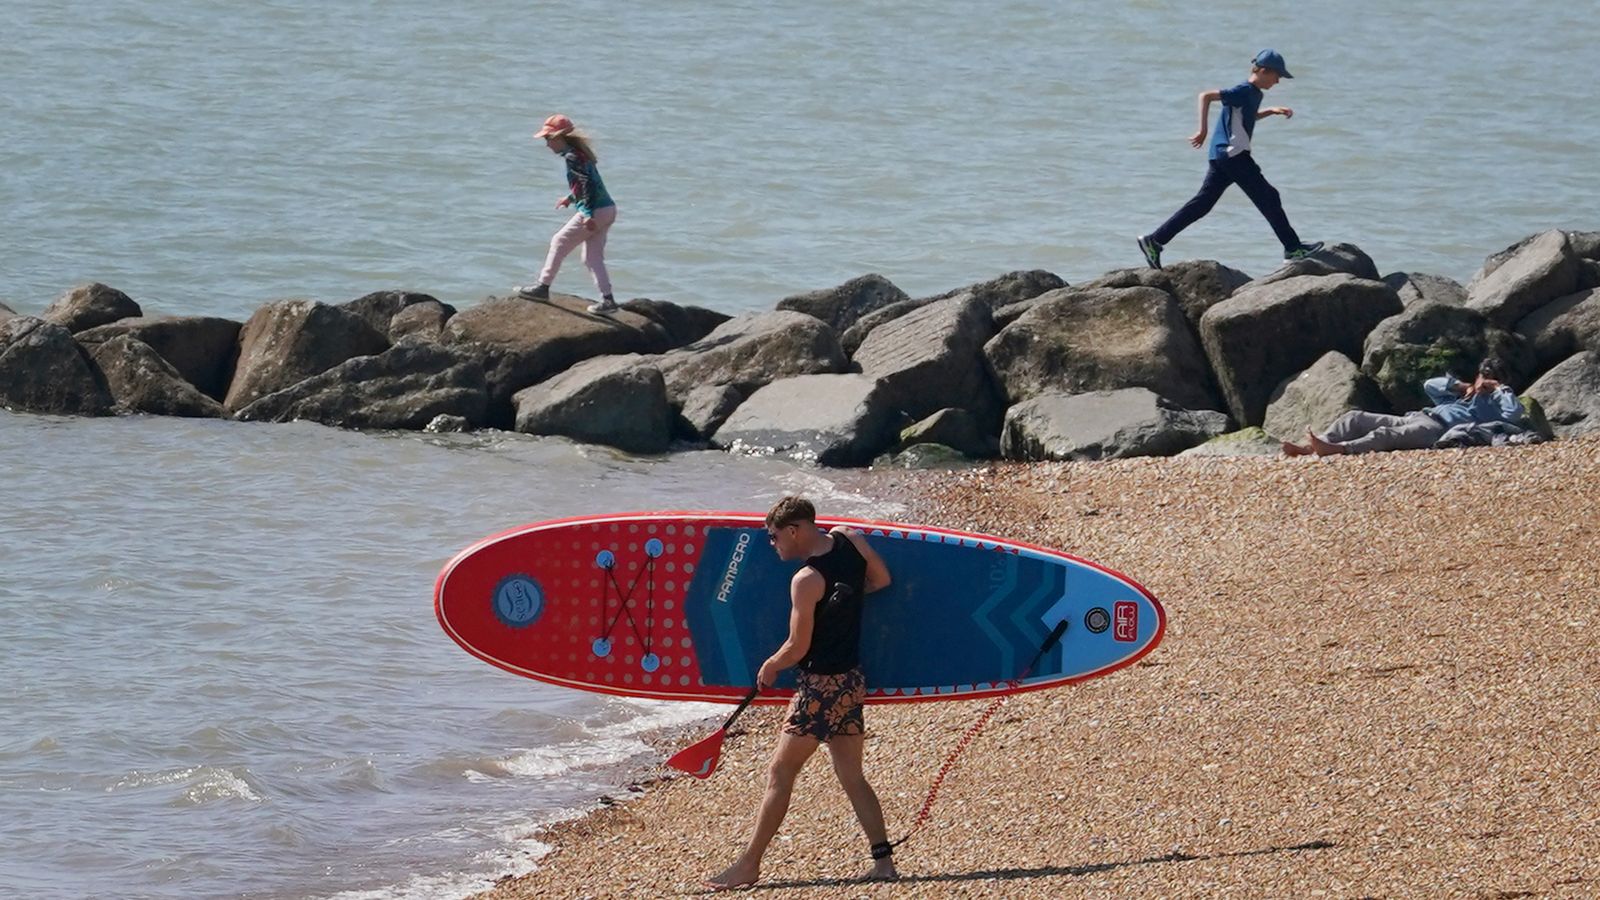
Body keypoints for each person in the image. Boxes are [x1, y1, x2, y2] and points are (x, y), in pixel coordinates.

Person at [705, 496, 899, 890]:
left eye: (774, 536)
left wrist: (772, 664)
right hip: (850, 681)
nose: (772, 543)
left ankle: (749, 865)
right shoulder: (849, 539)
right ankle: (884, 864)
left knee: (781, 771)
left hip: (820, 687)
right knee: (851, 775)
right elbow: (881, 580)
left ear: (794, 530)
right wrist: (843, 603)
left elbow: (798, 646)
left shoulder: (806, 579)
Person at [1137, 49, 1323, 270]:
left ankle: (1155, 241)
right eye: (1277, 76)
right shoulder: (1243, 90)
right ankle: (1293, 249)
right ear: (1264, 71)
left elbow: (1248, 115)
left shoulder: (1255, 94)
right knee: (1269, 196)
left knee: (1202, 204)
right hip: (1233, 154)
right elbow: (1205, 96)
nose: (1278, 82)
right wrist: (1203, 130)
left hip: (1223, 156)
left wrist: (1271, 111)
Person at [1283, 358, 1523, 456]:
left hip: (1438, 430)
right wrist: (1462, 386)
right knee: (1355, 417)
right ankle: (1312, 447)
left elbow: (1514, 414)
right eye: (1484, 375)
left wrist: (1500, 389)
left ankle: (1339, 449)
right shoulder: (1463, 395)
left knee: (1384, 435)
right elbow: (1431, 386)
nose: (1484, 381)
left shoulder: (1496, 405)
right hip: (1418, 417)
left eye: (1490, 377)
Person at [513, 114, 620, 314]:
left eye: (548, 139)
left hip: (595, 210)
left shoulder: (573, 157)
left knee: (559, 241)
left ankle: (542, 287)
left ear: (559, 137)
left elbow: (587, 185)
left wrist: (587, 214)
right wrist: (570, 199)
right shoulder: (580, 154)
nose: (547, 145)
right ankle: (608, 301)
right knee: (592, 257)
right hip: (608, 209)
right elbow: (588, 183)